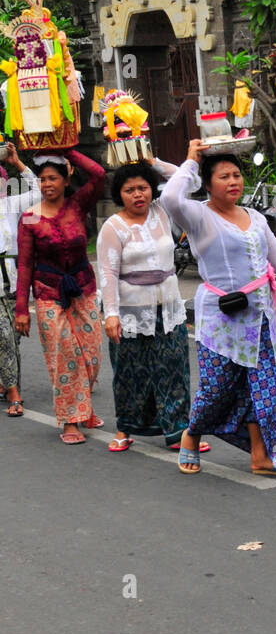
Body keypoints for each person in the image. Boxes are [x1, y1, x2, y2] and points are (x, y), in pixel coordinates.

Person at [160, 140, 276, 476]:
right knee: (216, 389)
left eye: (236, 175)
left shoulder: (257, 218)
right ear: (207, 184)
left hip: (261, 318)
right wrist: (191, 159)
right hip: (221, 319)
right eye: (223, 177)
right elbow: (170, 198)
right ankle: (191, 435)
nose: (233, 181)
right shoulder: (198, 216)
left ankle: (261, 457)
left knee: (266, 389)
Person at [97, 157, 209, 454]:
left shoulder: (163, 213)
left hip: (168, 308)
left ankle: (177, 430)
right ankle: (125, 428)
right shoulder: (113, 226)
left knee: (174, 369)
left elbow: (190, 182)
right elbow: (107, 272)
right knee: (129, 371)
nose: (137, 195)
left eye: (143, 188)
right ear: (119, 194)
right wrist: (111, 315)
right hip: (130, 312)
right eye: (130, 189)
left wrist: (152, 161)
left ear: (152, 189)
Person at [15, 148, 106, 443]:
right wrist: (21, 309)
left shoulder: (78, 205)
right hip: (47, 295)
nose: (47, 185)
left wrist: (65, 148)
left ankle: (84, 407)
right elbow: (26, 264)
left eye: (53, 178)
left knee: (91, 356)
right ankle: (71, 421)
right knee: (65, 356)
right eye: (42, 180)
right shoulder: (29, 218)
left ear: (66, 179)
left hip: (83, 289)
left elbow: (99, 174)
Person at [0, 142, 39, 416]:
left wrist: (17, 162)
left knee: (13, 339)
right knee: (2, 337)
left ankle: (5, 382)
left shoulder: (11, 205)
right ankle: (14, 392)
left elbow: (39, 192)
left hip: (15, 285)